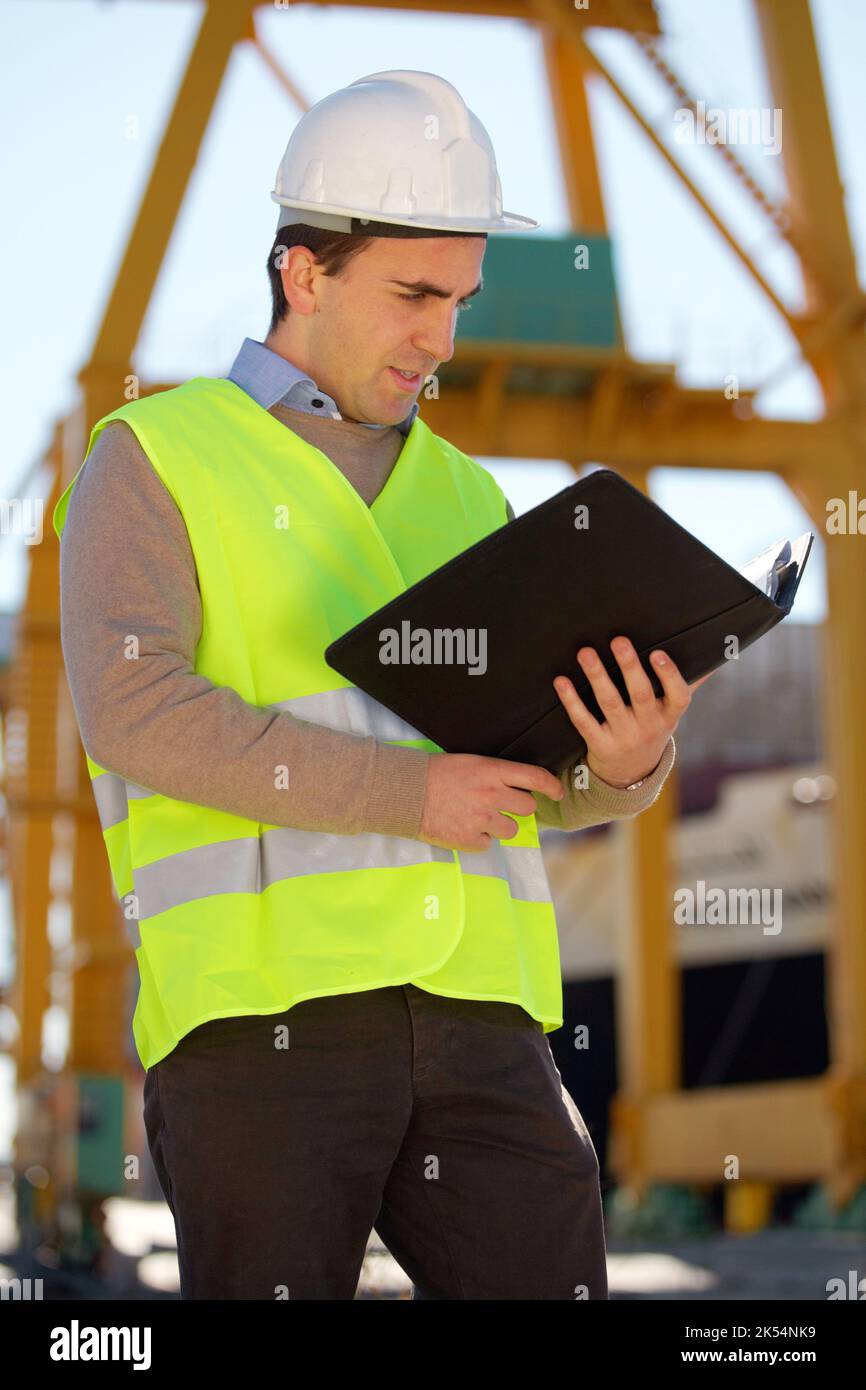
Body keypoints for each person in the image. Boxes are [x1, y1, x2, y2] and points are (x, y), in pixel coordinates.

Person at [54, 70, 696, 1300]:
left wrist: (619, 764)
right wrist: (408, 796)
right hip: (260, 1030)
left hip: (485, 1024)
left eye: (459, 297)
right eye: (412, 294)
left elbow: (517, 772)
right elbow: (134, 711)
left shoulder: (470, 496)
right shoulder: (153, 460)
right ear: (303, 271)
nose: (443, 339)